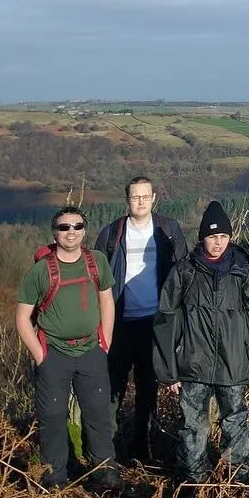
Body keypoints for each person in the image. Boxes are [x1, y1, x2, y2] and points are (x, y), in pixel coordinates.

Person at [152, 201, 249, 491]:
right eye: (213, 236)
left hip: (233, 362)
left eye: (223, 237)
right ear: (202, 237)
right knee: (193, 426)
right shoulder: (184, 272)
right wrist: (168, 370)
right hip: (193, 363)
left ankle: (238, 479)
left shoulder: (242, 271)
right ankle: (193, 481)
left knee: (235, 422)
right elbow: (166, 320)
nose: (218, 243)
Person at [15, 206, 121, 491]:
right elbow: (22, 317)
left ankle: (104, 471)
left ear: (85, 230)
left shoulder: (96, 261)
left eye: (77, 226)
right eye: (64, 227)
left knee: (98, 413)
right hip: (54, 354)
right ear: (55, 232)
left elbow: (107, 300)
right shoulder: (40, 271)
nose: (71, 232)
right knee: (52, 418)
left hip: (91, 350)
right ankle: (54, 478)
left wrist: (105, 341)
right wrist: (40, 356)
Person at [94, 175, 187, 464]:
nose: (141, 201)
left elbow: (183, 272)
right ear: (127, 200)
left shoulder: (168, 230)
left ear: (154, 197)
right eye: (135, 197)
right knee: (112, 389)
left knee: (148, 390)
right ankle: (105, 451)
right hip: (119, 323)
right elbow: (95, 276)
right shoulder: (112, 234)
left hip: (154, 323)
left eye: (145, 196)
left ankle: (140, 449)